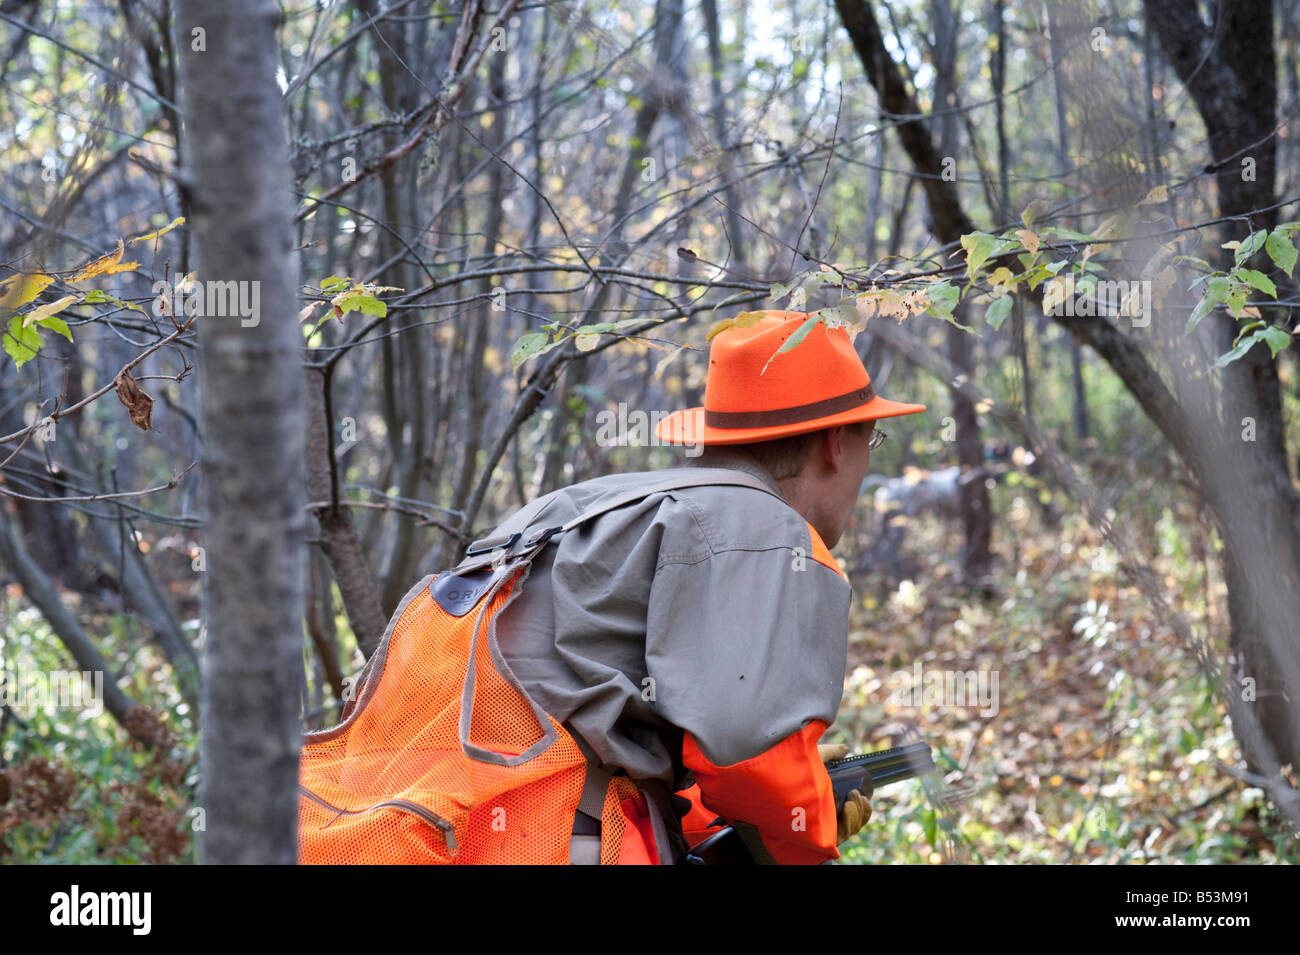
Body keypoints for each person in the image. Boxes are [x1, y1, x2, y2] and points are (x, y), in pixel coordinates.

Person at [482, 310, 926, 863]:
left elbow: (586, 731)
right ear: (836, 442)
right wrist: (812, 815)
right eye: (872, 439)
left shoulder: (576, 508)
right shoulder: (771, 532)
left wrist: (733, 804)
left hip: (442, 823)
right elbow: (753, 760)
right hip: (557, 841)